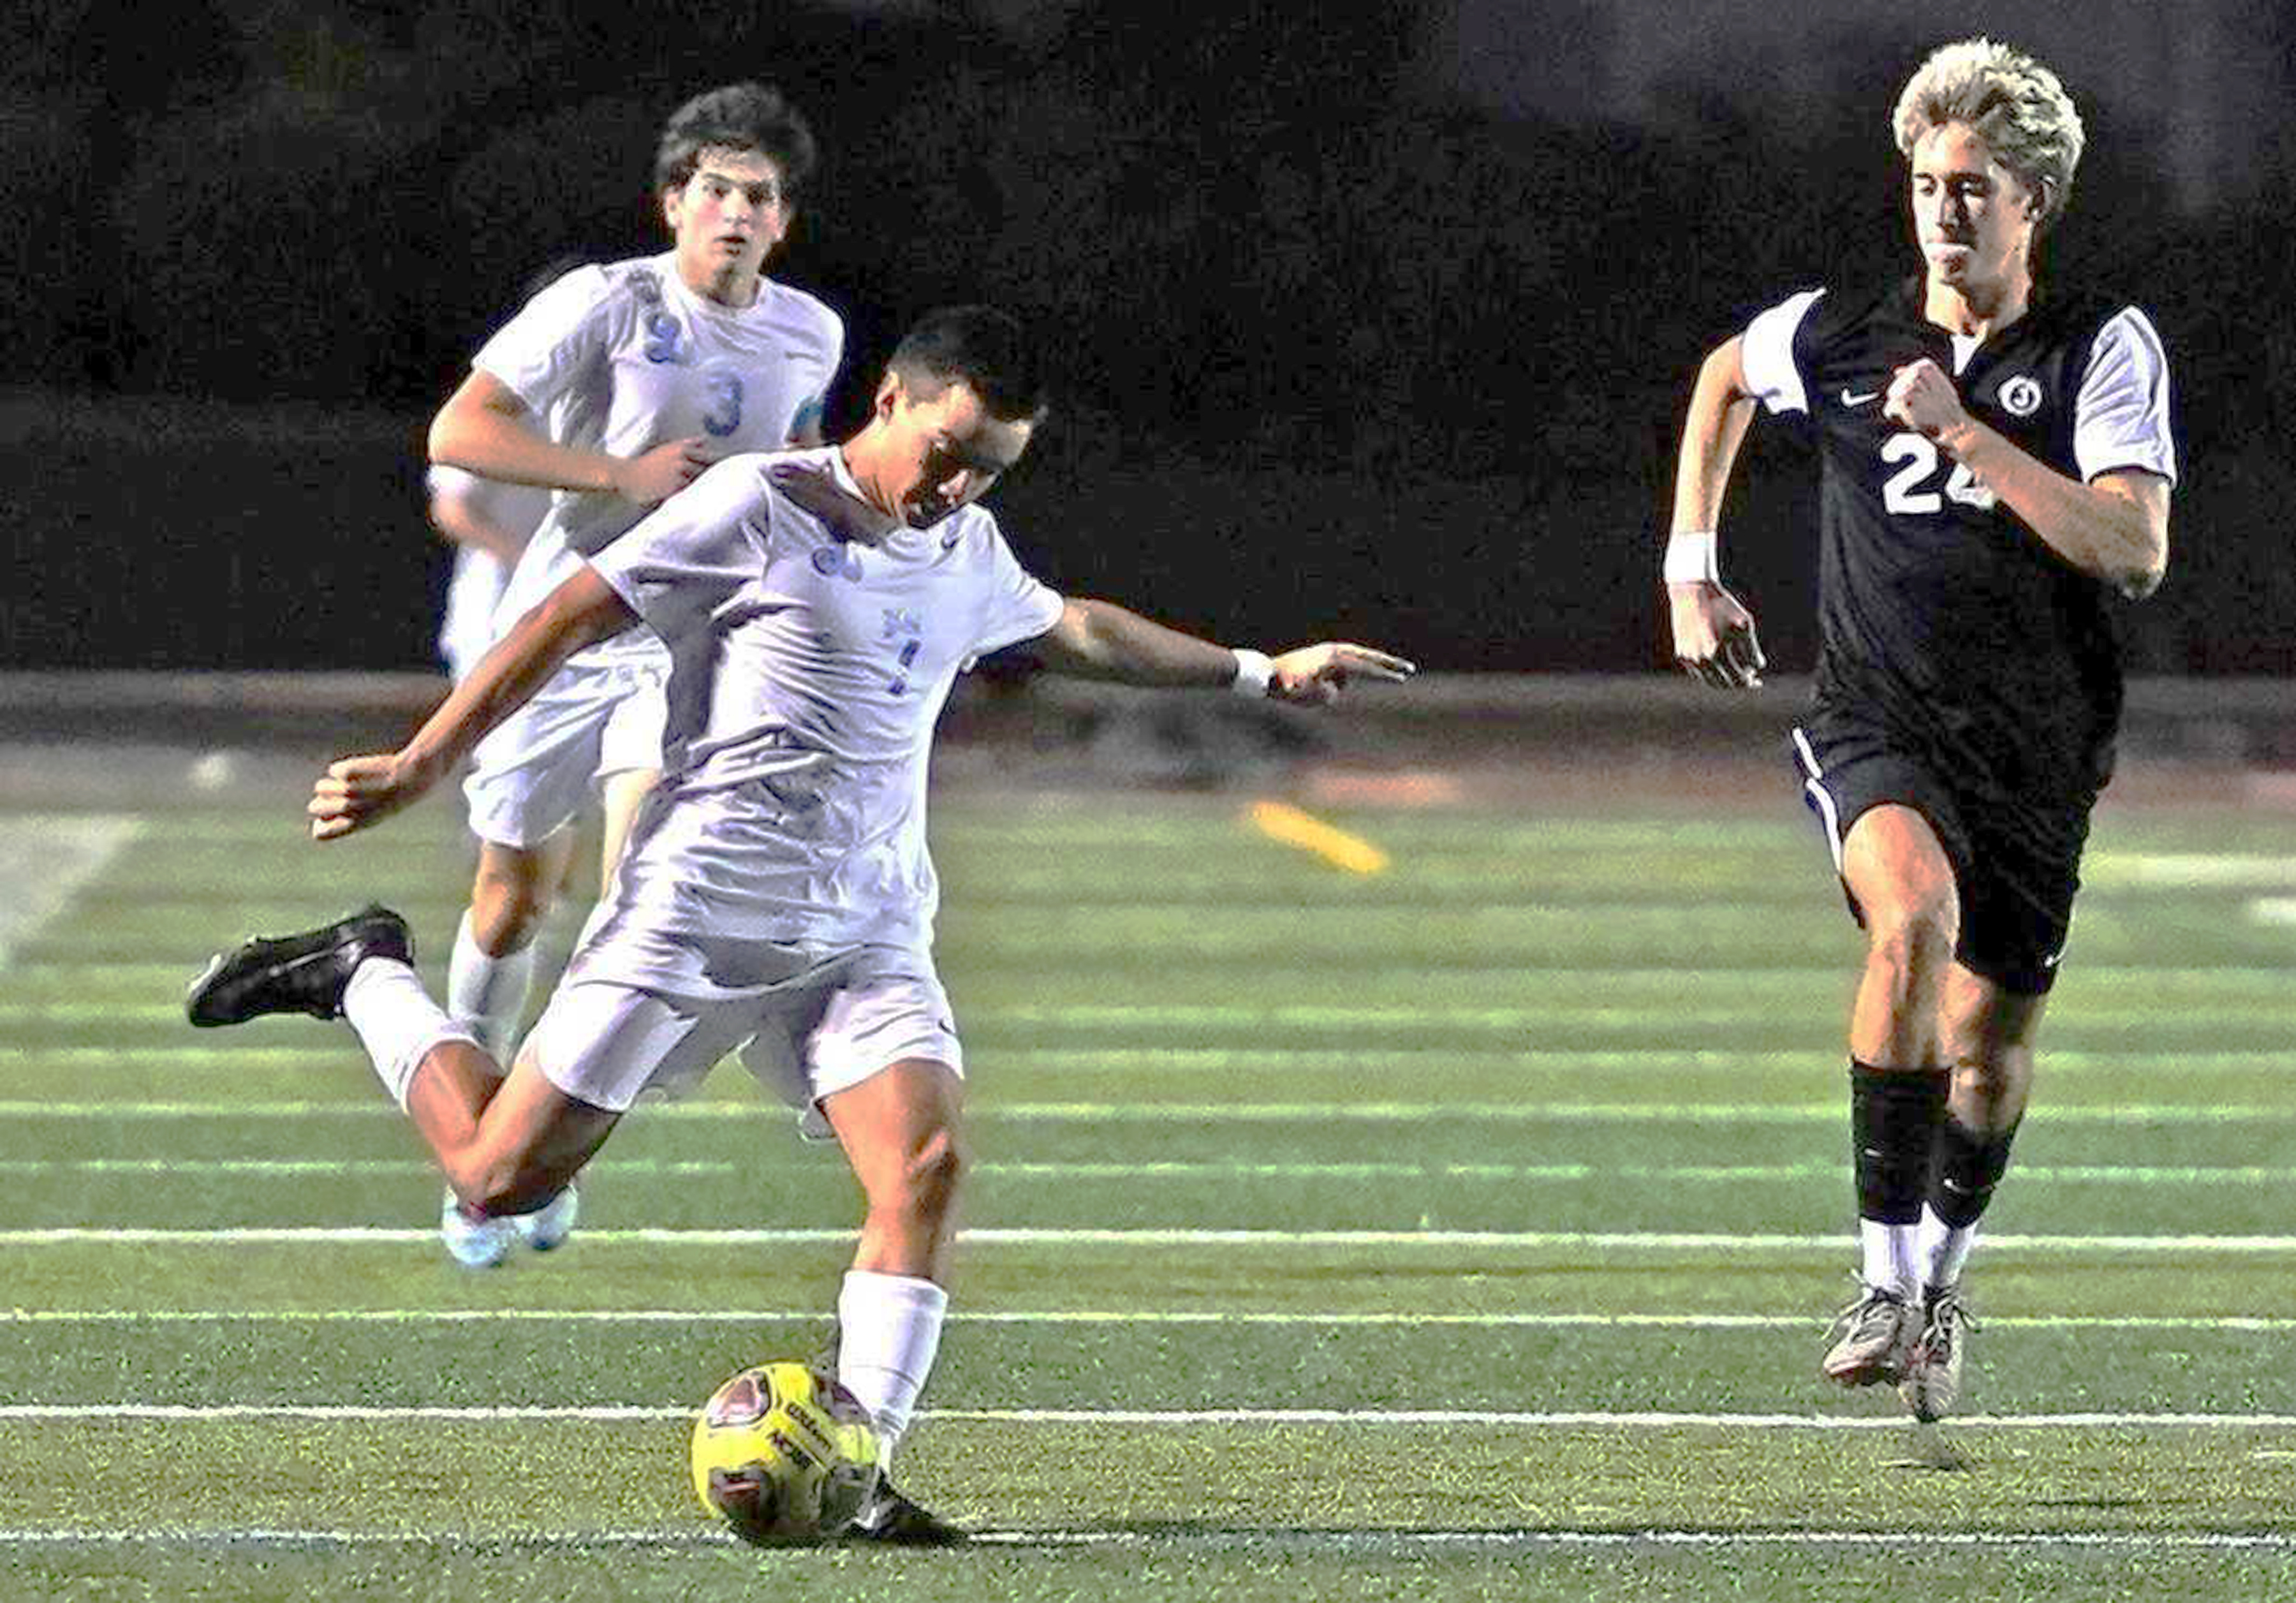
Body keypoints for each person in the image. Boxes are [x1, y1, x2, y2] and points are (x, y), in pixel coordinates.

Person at [187, 304, 1415, 1540]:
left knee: (925, 1168)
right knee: (495, 1178)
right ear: (889, 400)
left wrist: (1260, 668)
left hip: (866, 931)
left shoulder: (967, 544)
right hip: (692, 916)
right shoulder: (759, 506)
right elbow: (565, 617)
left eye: (990, 465)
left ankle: (862, 1477)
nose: (959, 482)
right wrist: (420, 762)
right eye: (948, 449)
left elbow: (1071, 626)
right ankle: (363, 972)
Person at [1663, 38, 2174, 1422]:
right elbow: (1722, 376)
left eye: (1974, 189)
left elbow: (2131, 550)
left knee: (1992, 1045)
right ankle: (1883, 1278)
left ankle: (1941, 1281)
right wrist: (1689, 566)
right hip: (1878, 718)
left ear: (2035, 206)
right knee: (1912, 924)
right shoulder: (1837, 331)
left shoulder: (2099, 349)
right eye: (1927, 184)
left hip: (2042, 750)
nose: (1944, 212)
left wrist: (1970, 441)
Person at [423, 82, 844, 1266]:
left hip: (686, 647)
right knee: (513, 895)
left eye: (759, 197)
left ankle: (540, 1152)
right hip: (561, 631)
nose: (735, 213)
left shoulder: (810, 332)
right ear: (673, 203)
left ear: (782, 222)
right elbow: (458, 432)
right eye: (715, 189)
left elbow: (797, 455)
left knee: (634, 900)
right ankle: (476, 1127)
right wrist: (617, 474)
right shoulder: (603, 304)